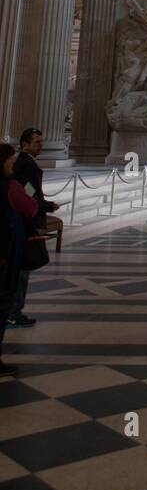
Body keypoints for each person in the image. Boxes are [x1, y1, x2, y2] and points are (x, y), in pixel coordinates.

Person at [8, 128, 57, 328]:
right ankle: (13, 312)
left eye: (41, 141)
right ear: (25, 144)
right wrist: (46, 206)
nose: (41, 145)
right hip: (23, 223)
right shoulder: (25, 164)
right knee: (21, 269)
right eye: (37, 142)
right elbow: (29, 194)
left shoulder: (25, 163)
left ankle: (13, 310)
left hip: (22, 221)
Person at [0, 142, 39, 378]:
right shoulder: (10, 187)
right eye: (10, 162)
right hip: (5, 252)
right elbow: (31, 208)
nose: (12, 166)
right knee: (3, 300)